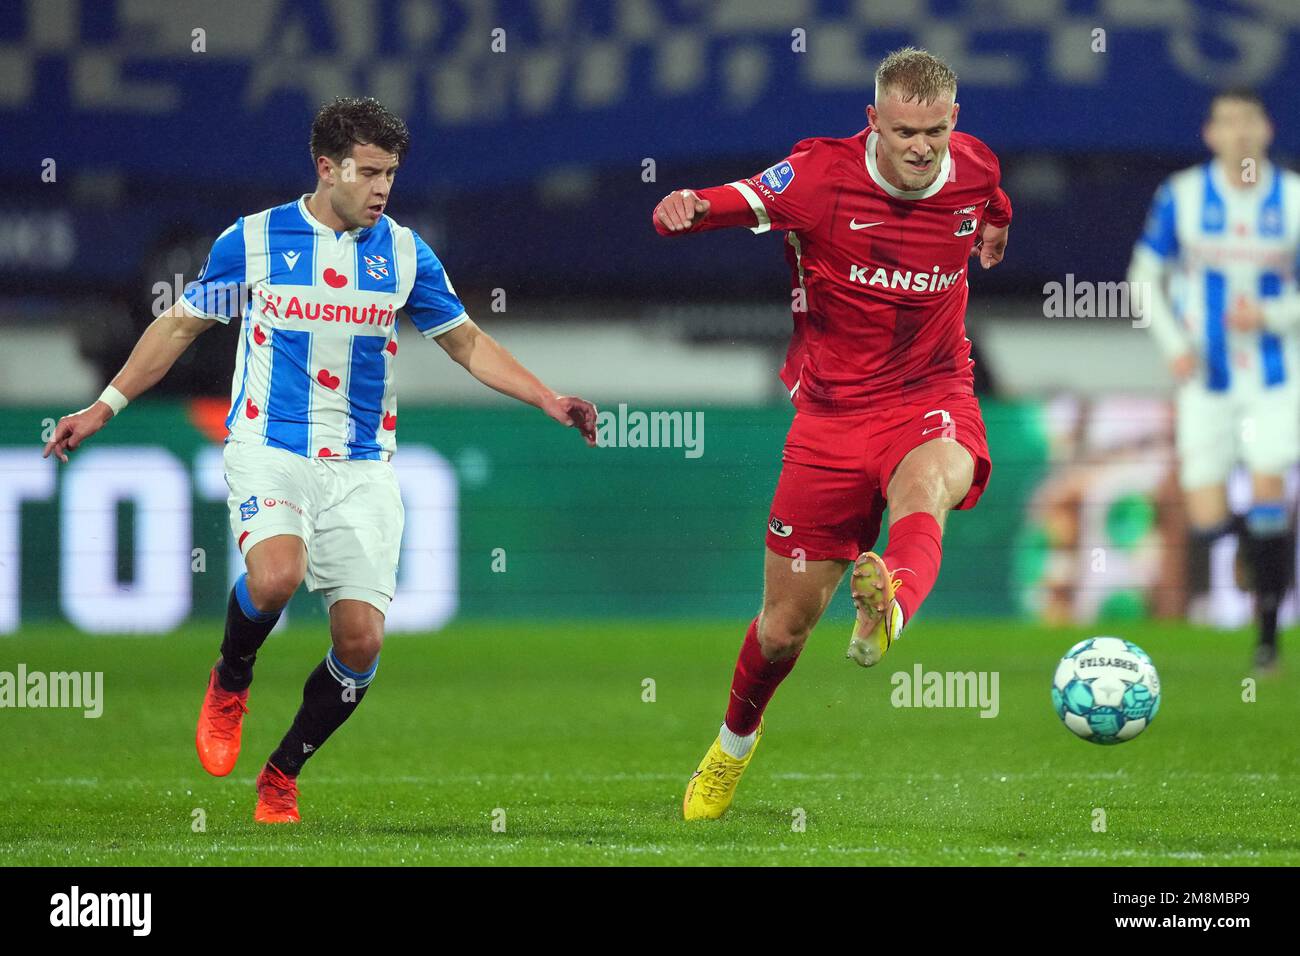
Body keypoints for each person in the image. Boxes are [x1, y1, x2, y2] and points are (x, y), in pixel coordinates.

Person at [42, 96, 597, 822]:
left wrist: (549, 398)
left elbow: (466, 341)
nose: (381, 189)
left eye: (391, 174)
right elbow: (178, 329)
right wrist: (103, 406)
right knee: (275, 576)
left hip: (364, 464)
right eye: (368, 172)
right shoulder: (255, 240)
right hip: (270, 446)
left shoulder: (403, 251)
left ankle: (281, 772)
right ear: (326, 167)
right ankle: (232, 676)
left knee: (361, 642)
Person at [652, 48, 1011, 819]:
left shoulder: (975, 170)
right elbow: (736, 197)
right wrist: (686, 205)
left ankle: (892, 606)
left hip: (932, 392)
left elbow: (994, 204)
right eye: (904, 131)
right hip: (831, 417)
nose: (921, 147)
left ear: (955, 123)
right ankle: (731, 749)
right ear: (873, 121)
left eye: (934, 133)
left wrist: (993, 236)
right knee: (782, 629)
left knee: (930, 483)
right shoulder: (820, 176)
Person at [1128, 89, 1300, 672]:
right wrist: (1174, 346)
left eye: (1249, 120)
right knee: (1204, 517)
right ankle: (1255, 548)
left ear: (1266, 129)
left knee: (1270, 488)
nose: (1241, 132)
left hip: (1277, 376)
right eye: (1228, 122)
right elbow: (1144, 277)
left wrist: (1275, 315)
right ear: (1211, 135)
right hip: (1206, 377)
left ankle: (1268, 638)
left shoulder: (1295, 199)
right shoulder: (1183, 195)